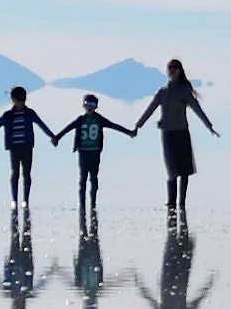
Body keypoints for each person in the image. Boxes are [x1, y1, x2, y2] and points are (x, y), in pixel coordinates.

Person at [131, 61, 219, 220]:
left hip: (182, 132)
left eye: (175, 68)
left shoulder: (184, 89)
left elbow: (196, 107)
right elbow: (150, 109)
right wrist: (137, 126)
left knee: (185, 170)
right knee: (172, 170)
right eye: (170, 68)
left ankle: (181, 203)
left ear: (179, 71)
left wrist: (209, 126)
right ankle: (171, 203)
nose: (172, 71)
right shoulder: (162, 92)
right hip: (167, 133)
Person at [0, 85, 60, 205]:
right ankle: (14, 199)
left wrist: (52, 136)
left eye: (22, 100)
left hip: (27, 147)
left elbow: (41, 125)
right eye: (18, 100)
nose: (20, 102)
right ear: (13, 100)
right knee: (15, 173)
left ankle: (25, 199)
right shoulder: (7, 116)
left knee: (26, 173)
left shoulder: (30, 113)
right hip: (14, 147)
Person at [65, 93, 117, 218]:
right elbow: (68, 128)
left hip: (94, 152)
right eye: (87, 104)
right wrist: (56, 137)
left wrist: (129, 132)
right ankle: (82, 203)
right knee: (82, 178)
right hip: (83, 152)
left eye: (92, 105)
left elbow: (114, 126)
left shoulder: (99, 119)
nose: (89, 107)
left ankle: (93, 203)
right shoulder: (80, 120)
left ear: (96, 106)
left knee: (94, 177)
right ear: (83, 105)